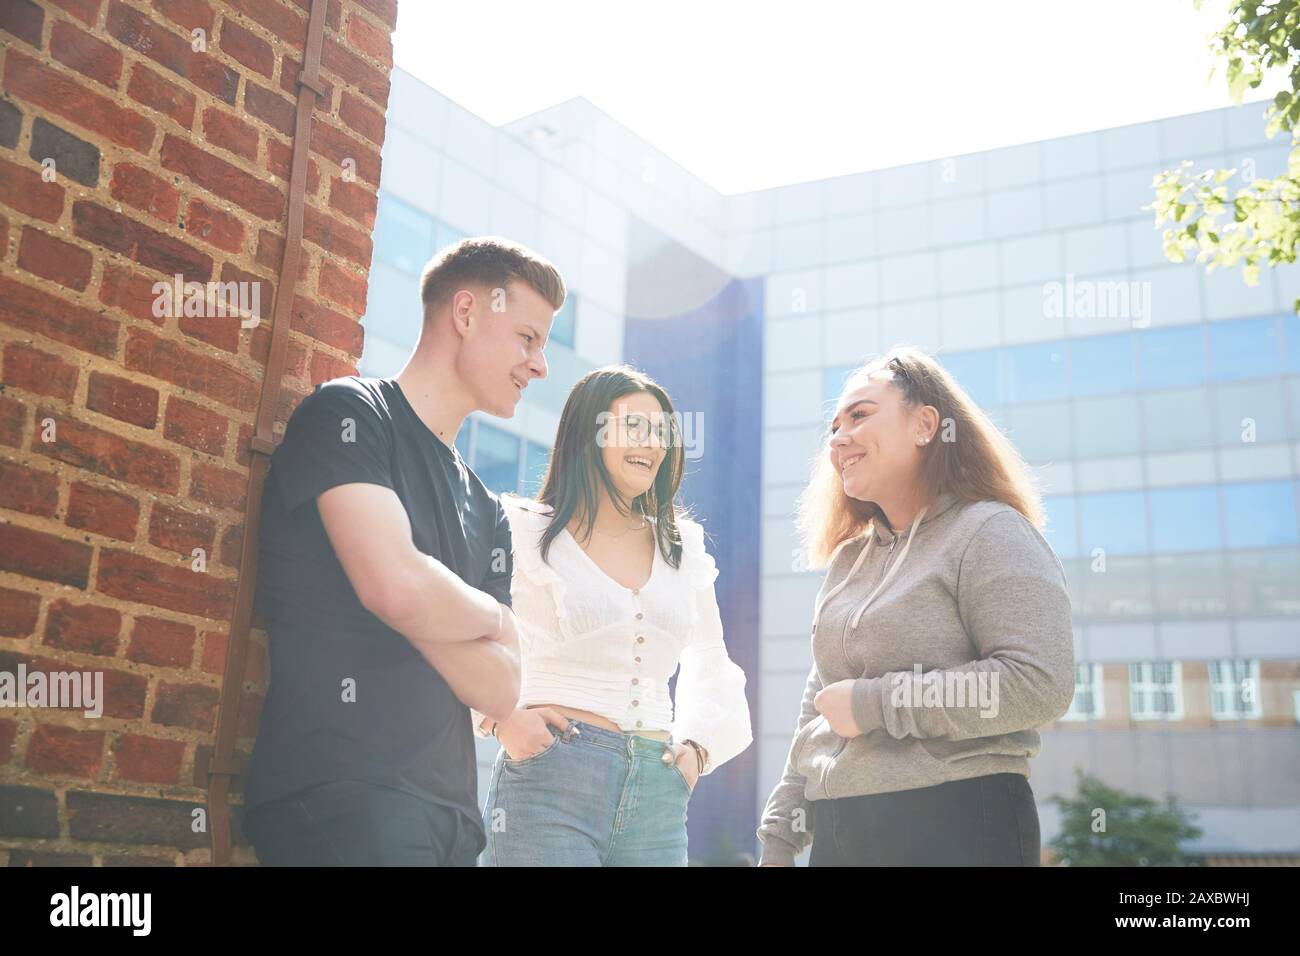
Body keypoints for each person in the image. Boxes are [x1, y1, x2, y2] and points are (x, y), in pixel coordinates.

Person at [241, 237, 565, 866]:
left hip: (449, 819)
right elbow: (393, 588)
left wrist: (421, 599)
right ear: (466, 314)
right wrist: (491, 619)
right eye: (528, 337)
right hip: (342, 797)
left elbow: (501, 687)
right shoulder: (351, 416)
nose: (540, 364)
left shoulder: (487, 506)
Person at [758, 347, 1075, 866]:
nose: (838, 438)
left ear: (926, 424)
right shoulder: (849, 561)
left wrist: (876, 704)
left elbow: (1040, 682)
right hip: (841, 830)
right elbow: (818, 702)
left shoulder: (989, 531)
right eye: (833, 427)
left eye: (859, 415)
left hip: (957, 822)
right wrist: (780, 835)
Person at [475, 366, 753, 866]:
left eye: (663, 432)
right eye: (635, 427)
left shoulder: (681, 547)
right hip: (550, 776)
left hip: (659, 785)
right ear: (590, 433)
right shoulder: (521, 530)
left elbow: (711, 659)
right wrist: (502, 720)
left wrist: (697, 750)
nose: (653, 442)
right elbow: (459, 629)